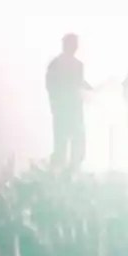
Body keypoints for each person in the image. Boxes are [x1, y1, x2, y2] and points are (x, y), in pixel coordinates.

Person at [45, 33, 92, 169]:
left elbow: (79, 83)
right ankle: (62, 170)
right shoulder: (57, 65)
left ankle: (71, 169)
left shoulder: (76, 65)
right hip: (64, 109)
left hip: (71, 109)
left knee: (73, 140)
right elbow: (51, 86)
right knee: (63, 141)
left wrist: (90, 90)